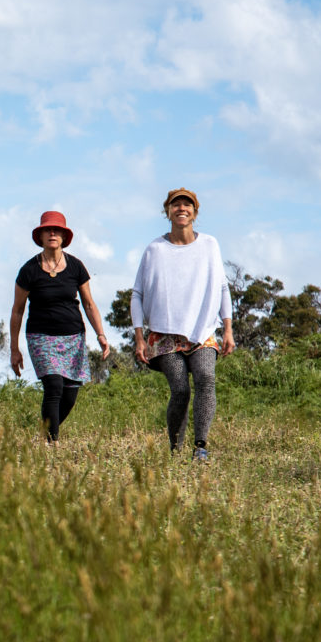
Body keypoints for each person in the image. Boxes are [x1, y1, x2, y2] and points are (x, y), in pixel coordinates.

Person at [129, 188, 235, 460]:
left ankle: (200, 446)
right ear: (168, 212)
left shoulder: (209, 244)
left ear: (194, 213)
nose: (181, 209)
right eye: (176, 205)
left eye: (187, 205)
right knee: (180, 389)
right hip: (165, 334)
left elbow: (222, 287)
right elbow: (138, 293)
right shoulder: (155, 249)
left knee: (206, 379)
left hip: (203, 330)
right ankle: (176, 448)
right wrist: (139, 337)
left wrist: (228, 329)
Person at [10, 211, 112, 442]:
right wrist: (14, 349)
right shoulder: (29, 270)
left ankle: (46, 433)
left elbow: (88, 303)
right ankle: (52, 445)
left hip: (73, 337)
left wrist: (101, 334)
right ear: (41, 235)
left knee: (69, 397)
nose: (52, 233)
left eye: (57, 230)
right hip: (41, 337)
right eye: (48, 229)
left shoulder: (76, 266)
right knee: (54, 385)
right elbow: (17, 310)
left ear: (64, 237)